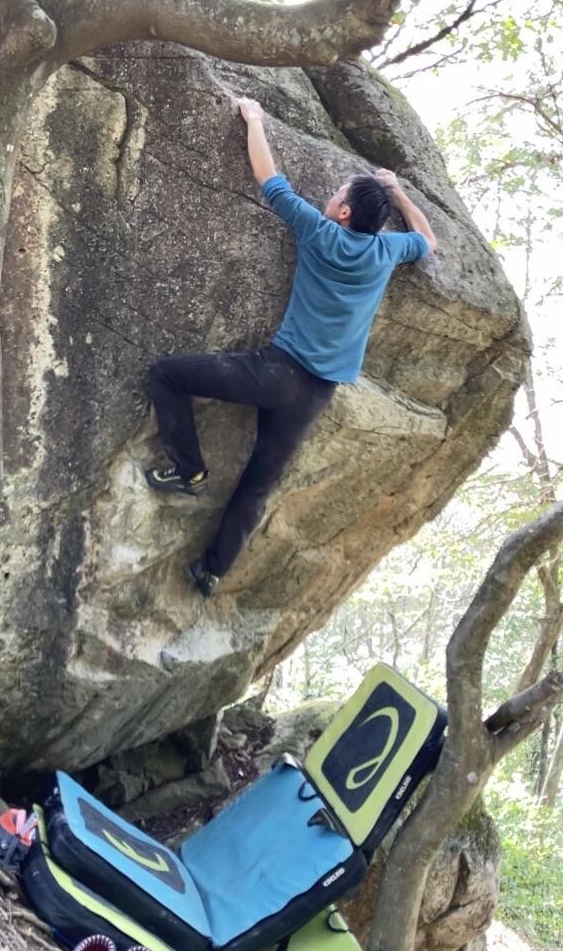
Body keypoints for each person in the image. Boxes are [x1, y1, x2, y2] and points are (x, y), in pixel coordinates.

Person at [145, 97, 437, 598]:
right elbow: (428, 241)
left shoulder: (319, 232)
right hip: (316, 396)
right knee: (258, 484)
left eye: (336, 194)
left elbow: (268, 177)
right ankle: (212, 571)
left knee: (166, 374)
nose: (330, 195)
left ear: (343, 212)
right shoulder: (388, 250)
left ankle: (189, 468)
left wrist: (254, 119)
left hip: (276, 372)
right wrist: (397, 191)